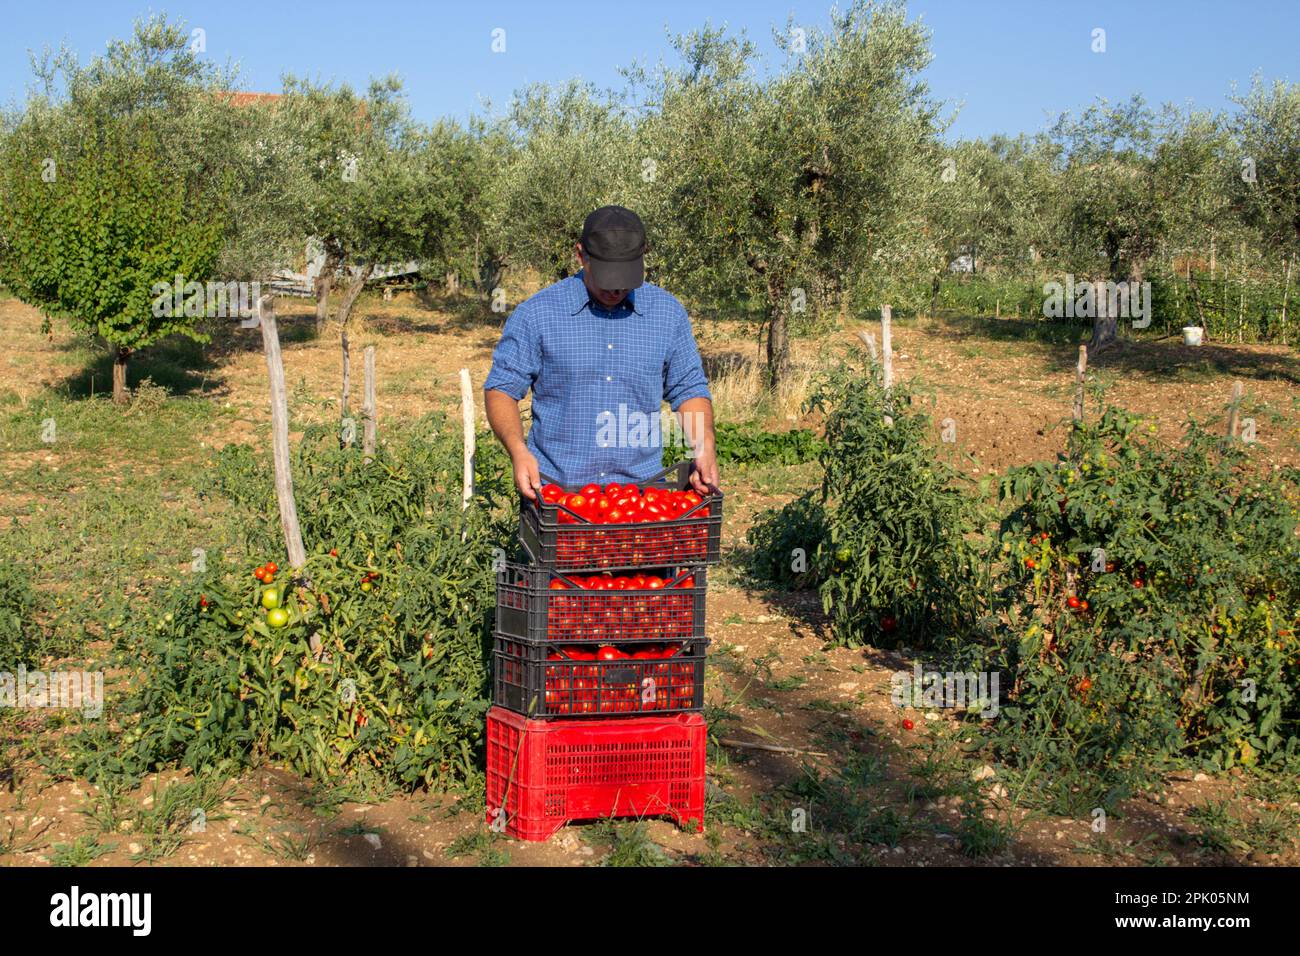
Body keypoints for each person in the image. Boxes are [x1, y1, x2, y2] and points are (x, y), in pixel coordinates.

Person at [483, 205, 719, 499]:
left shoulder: (667, 314)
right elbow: (501, 389)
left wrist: (703, 444)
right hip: (560, 498)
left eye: (626, 277)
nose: (616, 289)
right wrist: (518, 451)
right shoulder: (537, 314)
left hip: (642, 497)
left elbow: (688, 388)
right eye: (608, 277)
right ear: (581, 255)